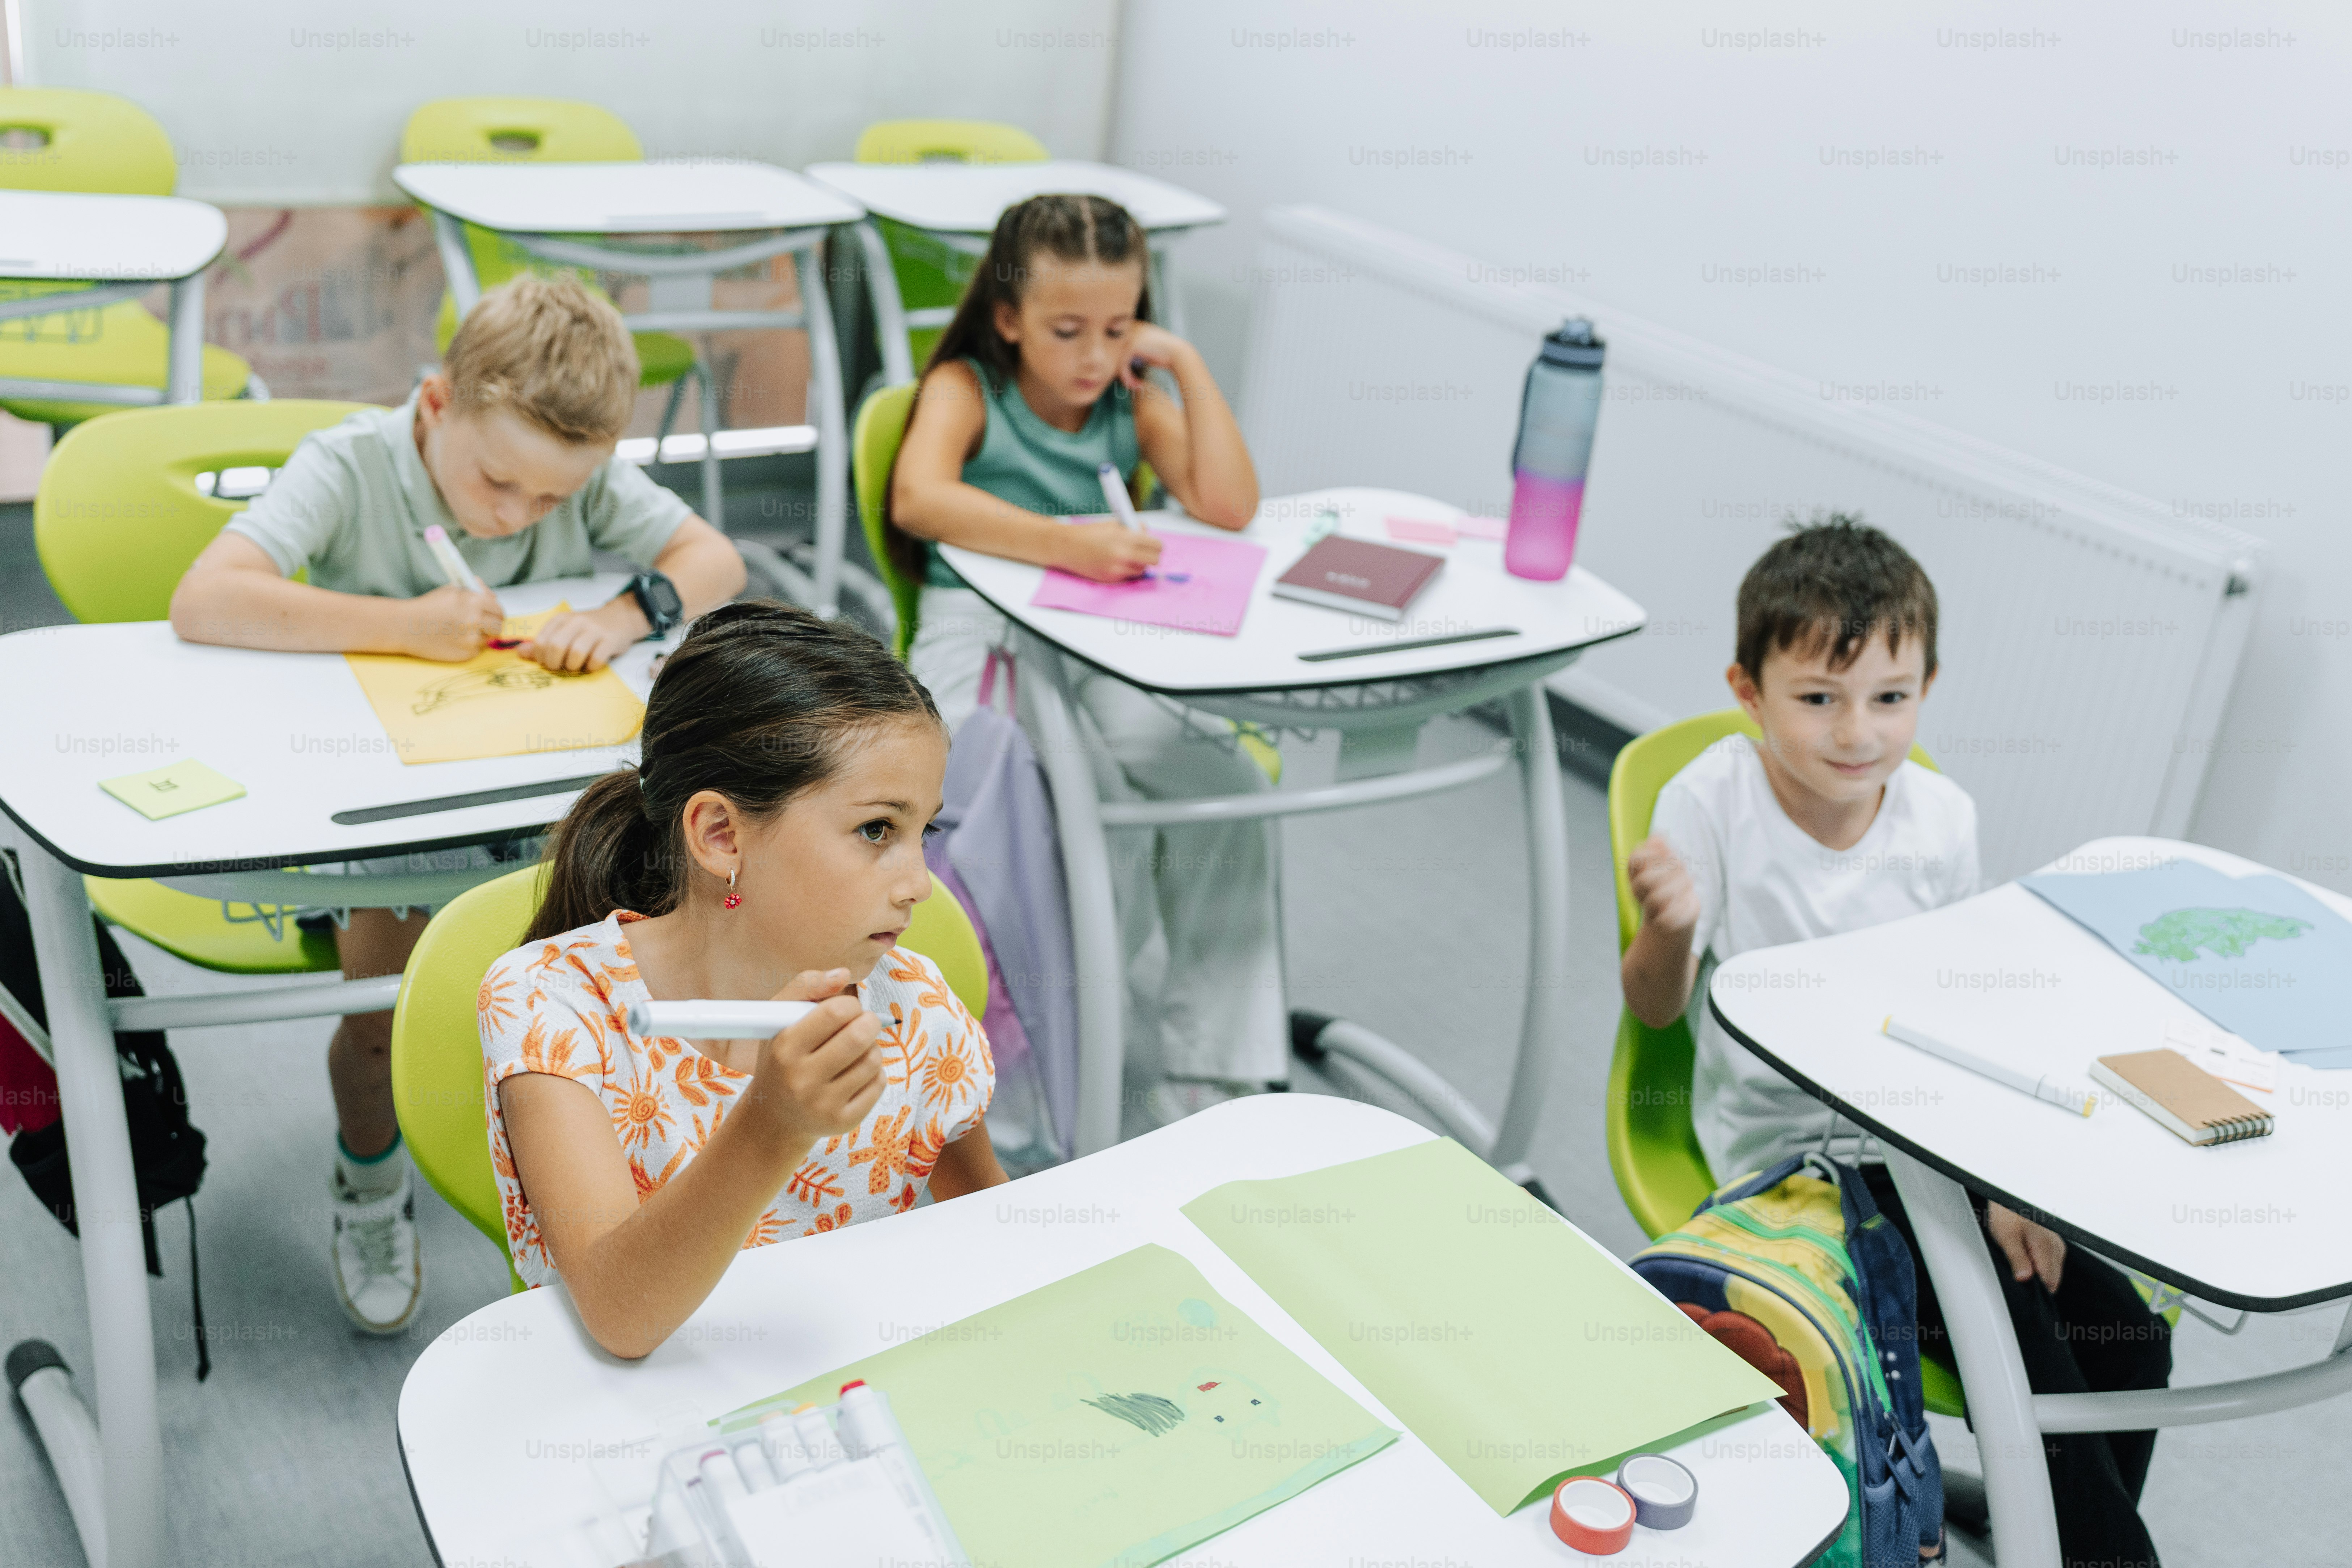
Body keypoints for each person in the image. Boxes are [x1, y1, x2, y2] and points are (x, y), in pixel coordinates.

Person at [167, 273, 746, 1334]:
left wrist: (626, 610)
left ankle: (591, 1189)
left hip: (522, 790)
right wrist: (396, 623)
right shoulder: (351, 462)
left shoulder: (565, 468)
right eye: (496, 483)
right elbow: (206, 597)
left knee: (572, 993)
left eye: (550, 501)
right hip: (374, 797)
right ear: (436, 403)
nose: (516, 515)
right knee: (381, 1012)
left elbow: (713, 557)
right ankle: (370, 1180)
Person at [1620, 516, 2169, 1567]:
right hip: (1808, 1168)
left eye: (1889, 697)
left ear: (1926, 686)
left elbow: (1957, 1021)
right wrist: (1672, 929)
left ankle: (2039, 1533)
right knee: (2037, 1359)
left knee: (2132, 1338)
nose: (1856, 732)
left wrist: (2010, 1182)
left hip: (1928, 1143)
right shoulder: (1710, 803)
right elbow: (1652, 1010)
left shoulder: (1940, 818)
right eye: (1817, 698)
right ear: (1747, 691)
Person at [480, 601, 1006, 1356]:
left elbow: (989, 1224)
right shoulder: (553, 1004)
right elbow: (622, 1316)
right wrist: (772, 1123)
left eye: (926, 830)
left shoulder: (914, 1008)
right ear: (722, 836)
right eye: (876, 830)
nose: (920, 883)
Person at [888, 193, 1279, 1125]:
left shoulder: (1129, 399)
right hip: (981, 633)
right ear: (1010, 317)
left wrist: (1179, 358)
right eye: (1068, 330)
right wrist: (1068, 544)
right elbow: (919, 499)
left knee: (1222, 785)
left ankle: (1215, 1071)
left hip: (1102, 634)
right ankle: (1022, 1077)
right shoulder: (967, 389)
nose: (1096, 357)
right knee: (1061, 806)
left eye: (1118, 326)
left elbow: (1227, 504)